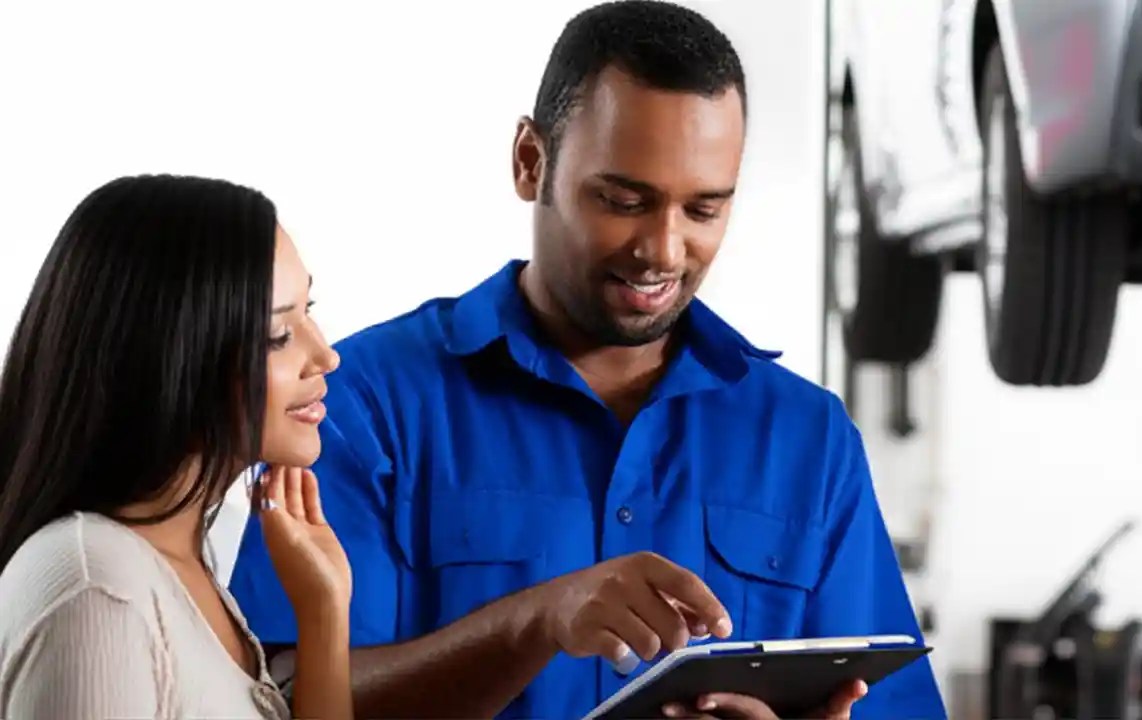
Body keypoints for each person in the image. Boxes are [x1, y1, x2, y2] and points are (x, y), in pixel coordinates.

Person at [230, 1, 947, 718]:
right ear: (530, 162)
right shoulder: (357, 405)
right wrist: (533, 623)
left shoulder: (809, 440)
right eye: (624, 200)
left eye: (703, 210)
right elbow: (281, 699)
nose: (664, 251)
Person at [0, 175, 353, 719]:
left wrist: (325, 613)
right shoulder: (98, 590)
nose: (325, 355)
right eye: (278, 335)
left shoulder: (179, 564)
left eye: (309, 310)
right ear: (170, 360)